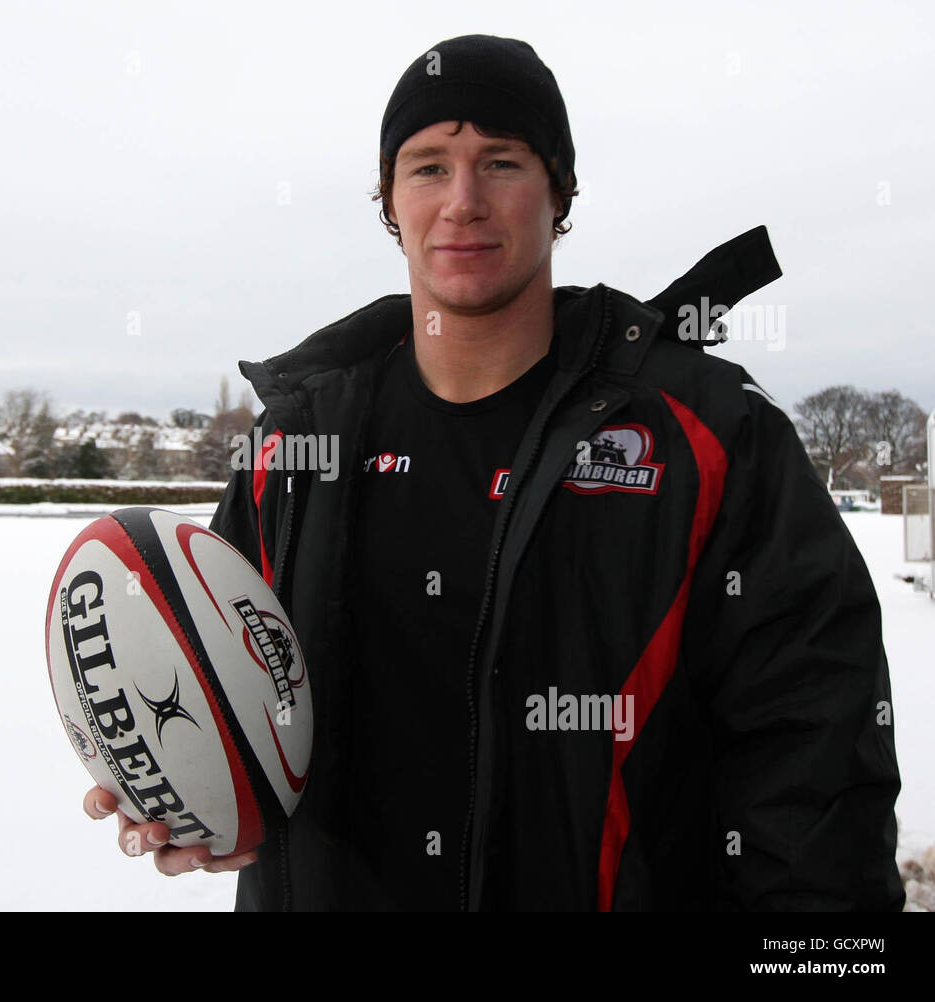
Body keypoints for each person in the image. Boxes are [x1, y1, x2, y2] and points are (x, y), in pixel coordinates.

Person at [83, 34, 905, 911]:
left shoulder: (709, 436)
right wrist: (199, 800)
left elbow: (816, 775)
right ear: (390, 201)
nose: (463, 202)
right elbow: (224, 680)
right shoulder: (297, 444)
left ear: (560, 193)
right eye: (428, 167)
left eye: (501, 162)